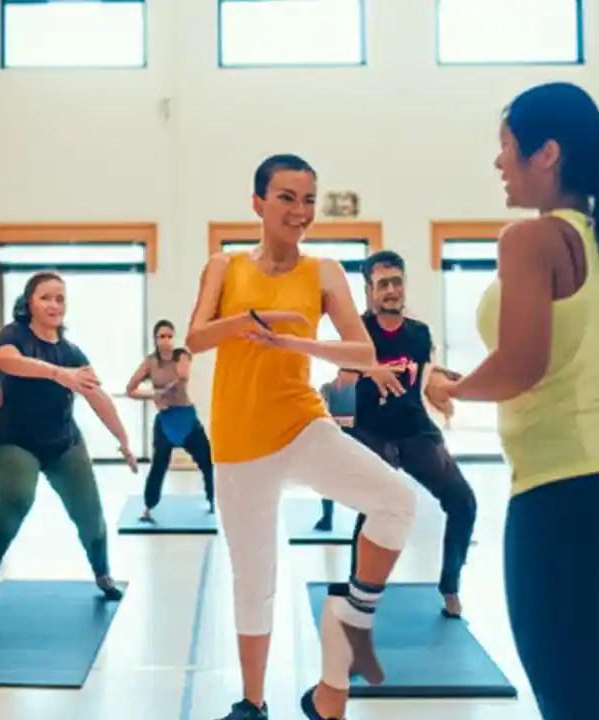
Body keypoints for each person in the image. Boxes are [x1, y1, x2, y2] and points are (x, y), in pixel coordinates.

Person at [426, 82, 599, 720]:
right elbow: (558, 357)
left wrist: (449, 387)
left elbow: (522, 366)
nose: (498, 163)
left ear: (547, 154)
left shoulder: (529, 241)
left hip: (569, 495)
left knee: (575, 706)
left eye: (506, 147)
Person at [187, 153, 417, 720]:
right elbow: (195, 337)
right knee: (253, 579)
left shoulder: (324, 271)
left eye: (309, 199)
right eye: (287, 197)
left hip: (302, 425)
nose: (300, 211)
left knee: (397, 502)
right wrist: (249, 322)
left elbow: (362, 351)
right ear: (258, 203)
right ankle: (253, 703)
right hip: (239, 444)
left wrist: (298, 345)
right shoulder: (225, 266)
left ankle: (351, 623)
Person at [0, 271, 138, 610]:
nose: (54, 304)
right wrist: (59, 375)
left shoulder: (71, 351)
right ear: (29, 302)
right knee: (17, 497)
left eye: (60, 299)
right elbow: (7, 361)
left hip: (64, 443)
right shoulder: (13, 335)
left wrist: (123, 439)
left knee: (90, 514)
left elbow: (97, 396)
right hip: (17, 441)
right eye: (46, 297)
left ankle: (103, 574)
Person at [337, 250, 477, 619]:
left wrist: (442, 392)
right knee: (374, 508)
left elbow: (423, 379)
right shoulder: (357, 334)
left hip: (414, 430)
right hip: (371, 432)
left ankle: (450, 586)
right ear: (369, 291)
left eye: (397, 282)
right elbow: (342, 383)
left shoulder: (419, 334)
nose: (391, 290)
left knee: (463, 501)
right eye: (383, 284)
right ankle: (358, 591)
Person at [124, 319, 214, 520]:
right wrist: (153, 396)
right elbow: (130, 389)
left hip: (186, 417)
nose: (166, 340)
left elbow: (183, 376)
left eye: (169, 336)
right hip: (165, 420)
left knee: (206, 461)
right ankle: (148, 507)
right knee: (158, 465)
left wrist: (164, 390)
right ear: (155, 340)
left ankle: (213, 501)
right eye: (161, 336)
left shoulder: (182, 355)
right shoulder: (150, 362)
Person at [312, 377, 356, 532]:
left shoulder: (328, 388)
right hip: (353, 439)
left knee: (328, 480)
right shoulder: (358, 390)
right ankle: (327, 519)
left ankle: (327, 519)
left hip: (336, 438)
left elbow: (321, 415)